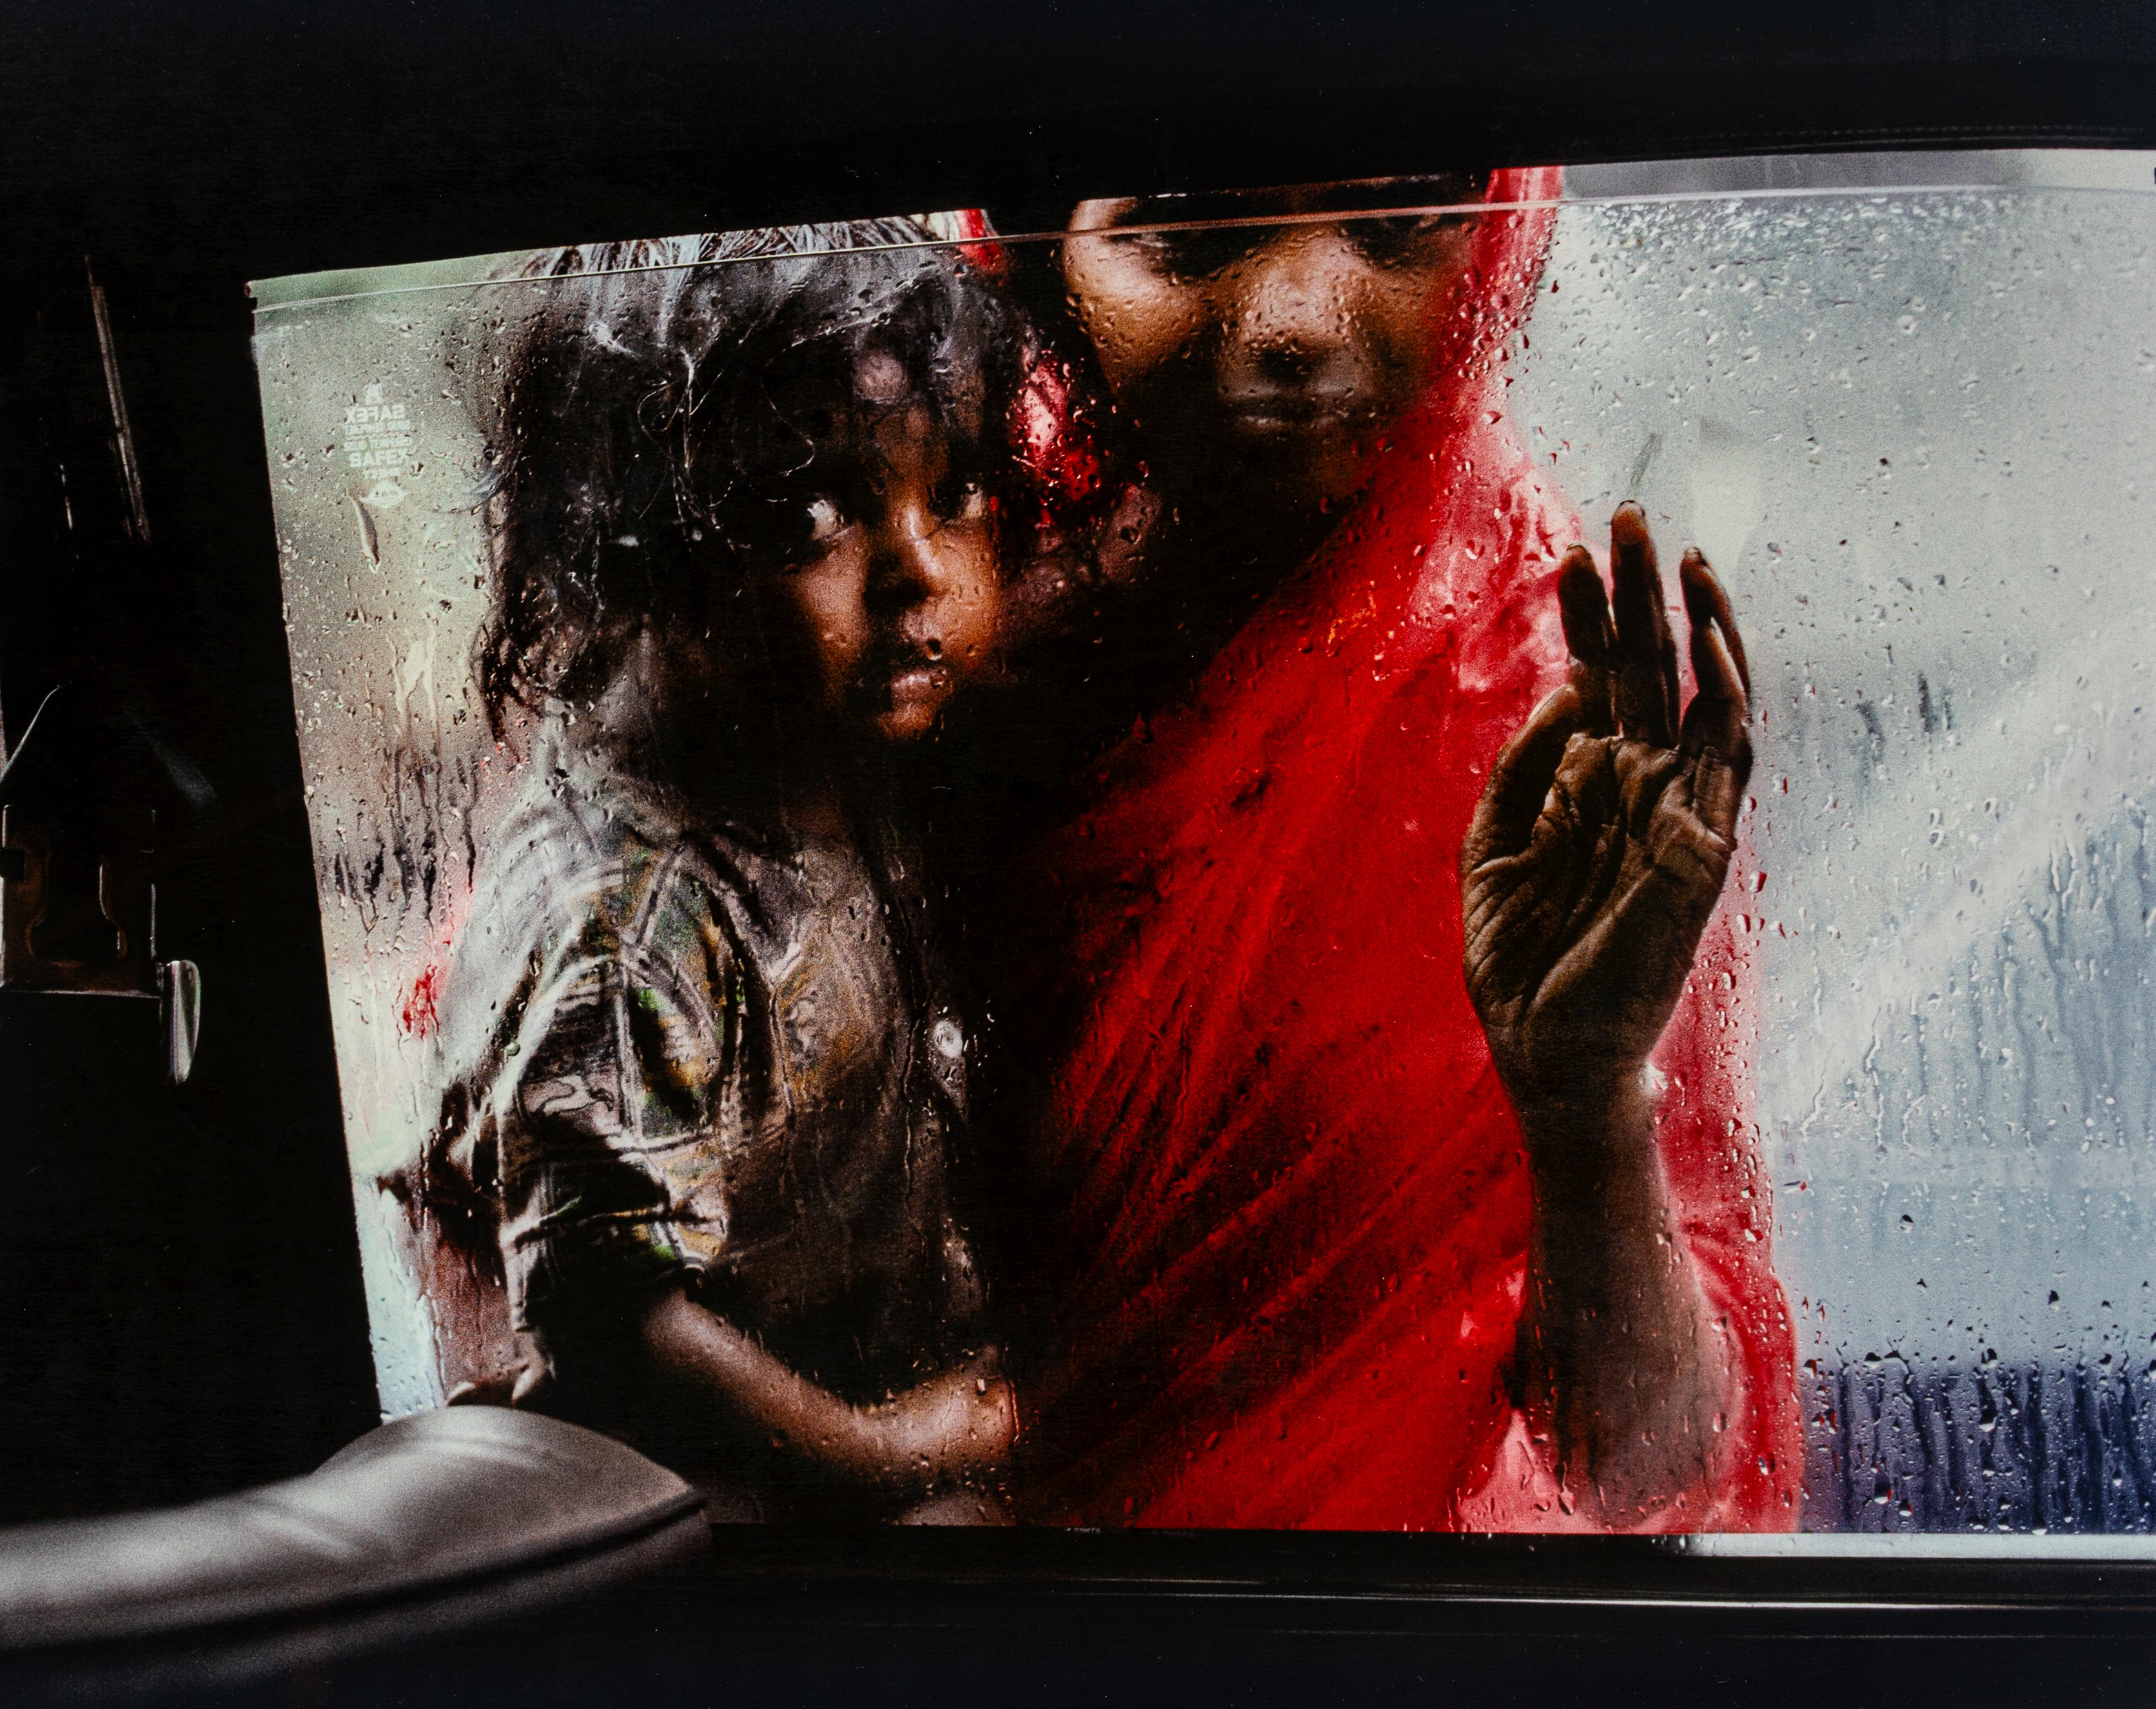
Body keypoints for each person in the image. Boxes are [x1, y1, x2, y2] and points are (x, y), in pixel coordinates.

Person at [958, 171, 1802, 1529]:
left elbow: (1649, 1477)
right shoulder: (901, 605)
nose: (1297, 318)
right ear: (1033, 260)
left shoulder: (1559, 713)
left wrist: (1587, 1111)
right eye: (1179, 234)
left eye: (1399, 224)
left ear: (1499, 240)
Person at [400, 223, 1097, 1521]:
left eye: (952, 492)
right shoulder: (634, 920)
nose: (917, 574)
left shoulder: (818, 737)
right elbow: (607, 1324)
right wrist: (886, 1452)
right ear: (624, 557)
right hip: (719, 1520)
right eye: (808, 517)